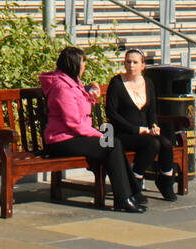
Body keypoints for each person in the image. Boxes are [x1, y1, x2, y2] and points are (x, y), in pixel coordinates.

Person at [40, 46, 145, 213]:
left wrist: (90, 98)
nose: (84, 66)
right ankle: (125, 197)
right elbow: (72, 121)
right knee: (110, 144)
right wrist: (97, 134)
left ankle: (129, 195)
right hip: (60, 140)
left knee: (114, 143)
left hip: (73, 136)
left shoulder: (73, 82)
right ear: (73, 64)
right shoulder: (62, 87)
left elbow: (80, 112)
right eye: (82, 62)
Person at [106, 49, 176, 202]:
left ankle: (165, 182)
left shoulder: (148, 83)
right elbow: (112, 114)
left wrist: (154, 125)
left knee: (165, 143)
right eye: (128, 61)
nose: (131, 65)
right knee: (152, 143)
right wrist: (136, 129)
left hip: (144, 132)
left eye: (135, 62)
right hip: (122, 133)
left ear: (143, 65)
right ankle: (135, 184)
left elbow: (152, 112)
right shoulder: (117, 83)